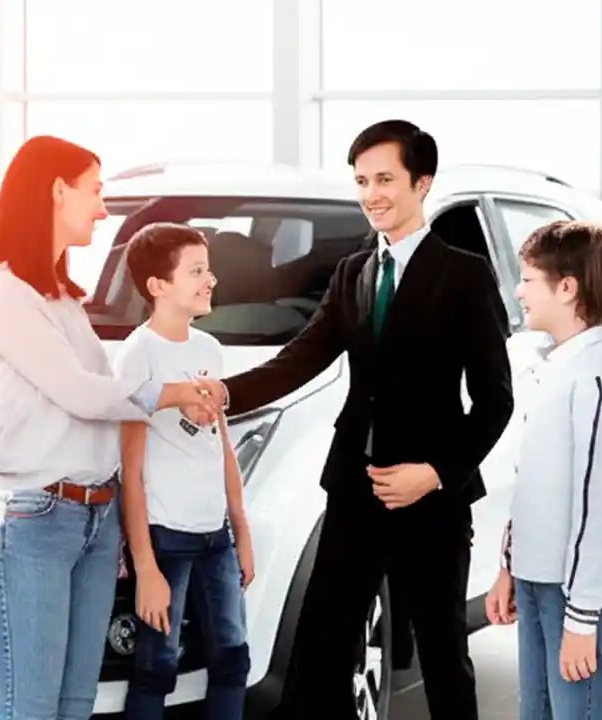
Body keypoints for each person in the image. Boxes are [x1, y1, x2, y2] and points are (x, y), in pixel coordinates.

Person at [210, 119, 515, 719]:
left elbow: (494, 399)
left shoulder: (463, 274)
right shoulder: (354, 271)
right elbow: (298, 360)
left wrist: (434, 472)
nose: (371, 193)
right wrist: (219, 393)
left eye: (385, 179)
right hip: (354, 489)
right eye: (361, 181)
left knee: (442, 653)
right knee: (320, 651)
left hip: (429, 496)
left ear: (421, 183)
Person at [0, 135, 224, 720]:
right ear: (57, 190)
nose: (103, 208)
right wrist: (175, 393)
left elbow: (103, 396)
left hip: (93, 517)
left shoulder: (58, 295)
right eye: (95, 190)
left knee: (77, 703)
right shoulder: (5, 292)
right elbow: (82, 394)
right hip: (37, 520)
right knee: (31, 707)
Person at [485, 220, 602, 720]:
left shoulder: (596, 380)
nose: (518, 290)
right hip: (536, 577)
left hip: (574, 592)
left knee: (579, 712)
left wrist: (581, 619)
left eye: (528, 279)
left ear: (567, 288)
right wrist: (510, 565)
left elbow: (600, 509)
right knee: (537, 711)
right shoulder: (555, 369)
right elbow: (535, 484)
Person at [113, 222, 255, 720]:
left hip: (215, 536)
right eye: (196, 271)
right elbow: (129, 473)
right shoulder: (138, 354)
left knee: (233, 657)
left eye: (208, 269)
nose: (210, 279)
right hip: (166, 538)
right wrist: (145, 566)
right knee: (157, 665)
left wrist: (240, 529)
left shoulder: (209, 350)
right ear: (158, 286)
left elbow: (222, 449)